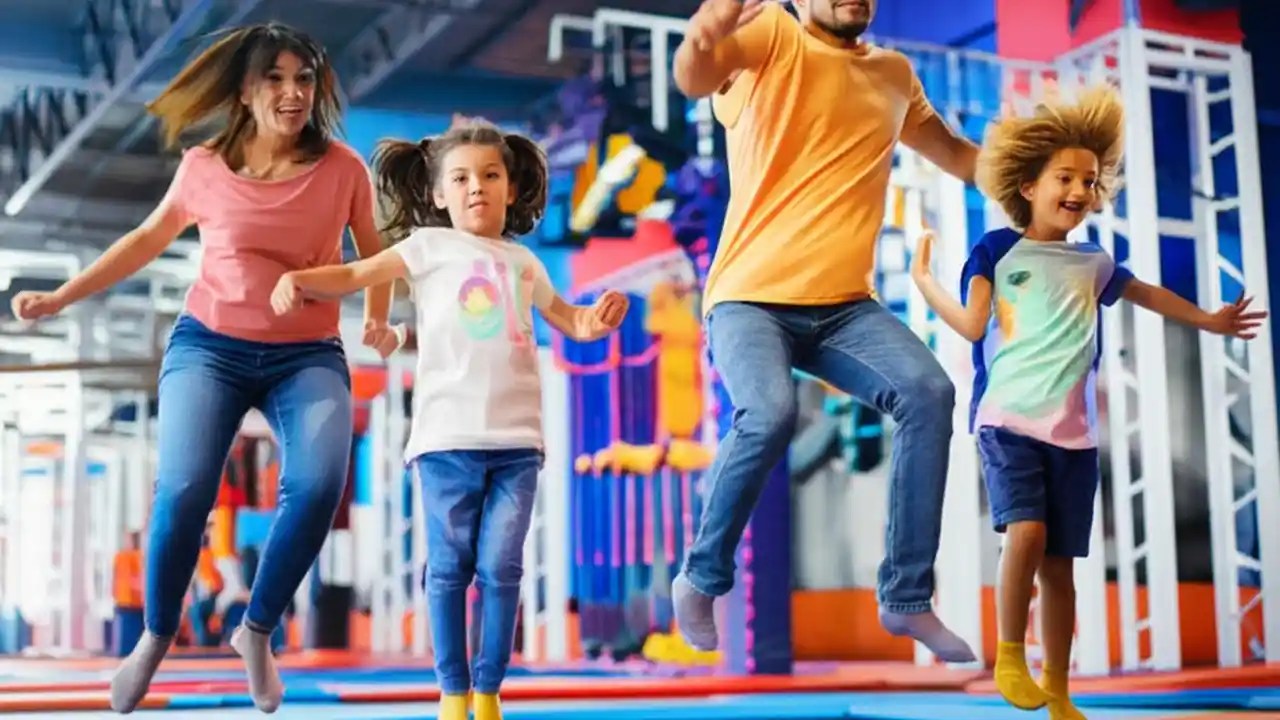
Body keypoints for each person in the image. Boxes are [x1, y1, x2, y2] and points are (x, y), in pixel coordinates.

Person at [10, 23, 397, 714]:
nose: (293, 93)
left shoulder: (344, 169)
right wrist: (65, 296)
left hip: (306, 353)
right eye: (275, 79)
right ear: (246, 90)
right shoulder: (203, 169)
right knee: (185, 490)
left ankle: (257, 630)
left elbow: (375, 258)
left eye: (304, 79)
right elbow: (143, 239)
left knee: (317, 486)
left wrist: (372, 318)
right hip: (209, 346)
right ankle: (155, 638)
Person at [910, 85, 1266, 719]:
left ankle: (1059, 691)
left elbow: (1150, 295)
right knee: (1027, 531)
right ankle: (1010, 656)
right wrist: (924, 282)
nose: (1079, 190)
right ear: (1029, 186)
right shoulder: (997, 249)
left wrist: (1209, 321)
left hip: (1073, 435)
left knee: (1062, 570)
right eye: (1065, 177)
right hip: (1008, 422)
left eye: (1090, 180)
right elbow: (970, 326)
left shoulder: (1094, 262)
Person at [270, 120, 629, 720]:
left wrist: (596, 320)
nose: (476, 188)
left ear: (511, 189)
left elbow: (571, 320)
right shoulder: (427, 248)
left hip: (517, 443)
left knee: (502, 567)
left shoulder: (523, 263)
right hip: (445, 441)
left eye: (490, 175)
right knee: (449, 567)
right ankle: (452, 690)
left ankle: (487, 692)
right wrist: (302, 280)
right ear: (437, 194)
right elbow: (358, 274)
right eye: (460, 178)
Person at [669, 0, 983, 661]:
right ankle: (700, 578)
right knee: (770, 412)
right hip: (749, 300)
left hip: (844, 307)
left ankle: (905, 599)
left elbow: (955, 154)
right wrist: (703, 33)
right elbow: (696, 76)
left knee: (929, 393)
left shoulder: (894, 74)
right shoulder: (773, 33)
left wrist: (1036, 183)